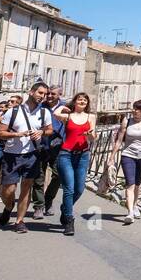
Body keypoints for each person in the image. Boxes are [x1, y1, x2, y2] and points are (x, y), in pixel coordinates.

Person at [0, 82, 54, 234]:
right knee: (8, 190)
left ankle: (19, 221)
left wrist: (41, 133)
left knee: (26, 188)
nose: (43, 96)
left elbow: (50, 130)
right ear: (31, 92)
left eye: (45, 94)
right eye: (40, 93)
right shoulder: (13, 112)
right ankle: (8, 207)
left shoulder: (44, 113)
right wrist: (17, 134)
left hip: (32, 155)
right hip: (11, 155)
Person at [51, 92, 94, 235]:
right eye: (80, 99)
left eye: (85, 100)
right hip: (66, 154)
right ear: (75, 102)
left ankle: (65, 208)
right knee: (69, 188)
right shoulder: (68, 117)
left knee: (79, 189)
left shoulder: (91, 117)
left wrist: (90, 135)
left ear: (87, 103)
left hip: (83, 155)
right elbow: (55, 114)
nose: (82, 102)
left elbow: (93, 137)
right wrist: (63, 107)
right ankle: (69, 220)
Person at [30, 86, 67, 220]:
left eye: (53, 94)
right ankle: (39, 206)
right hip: (41, 146)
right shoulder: (40, 106)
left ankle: (48, 199)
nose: (49, 96)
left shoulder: (65, 107)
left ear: (60, 94)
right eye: (48, 93)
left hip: (58, 147)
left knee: (58, 175)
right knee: (38, 177)